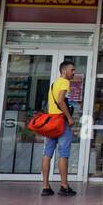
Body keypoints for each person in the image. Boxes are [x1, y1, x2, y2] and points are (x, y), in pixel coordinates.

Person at [41, 60, 78, 196]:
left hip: (51, 122)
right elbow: (61, 100)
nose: (73, 72)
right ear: (64, 71)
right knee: (63, 154)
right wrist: (69, 117)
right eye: (72, 70)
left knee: (47, 153)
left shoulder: (54, 83)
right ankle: (64, 186)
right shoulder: (64, 82)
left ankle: (45, 187)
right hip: (61, 122)